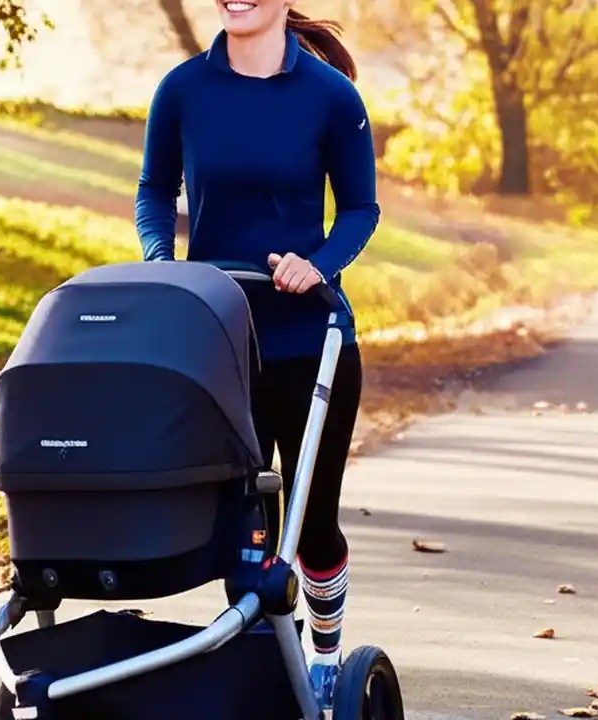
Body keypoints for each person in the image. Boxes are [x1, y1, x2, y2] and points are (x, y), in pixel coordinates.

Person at [133, 0, 381, 708]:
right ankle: (266, 660)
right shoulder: (183, 89)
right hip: (219, 343)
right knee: (244, 523)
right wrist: (163, 260)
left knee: (313, 522)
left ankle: (326, 654)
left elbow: (360, 208)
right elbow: (156, 188)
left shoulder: (331, 97)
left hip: (311, 344)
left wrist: (319, 265)